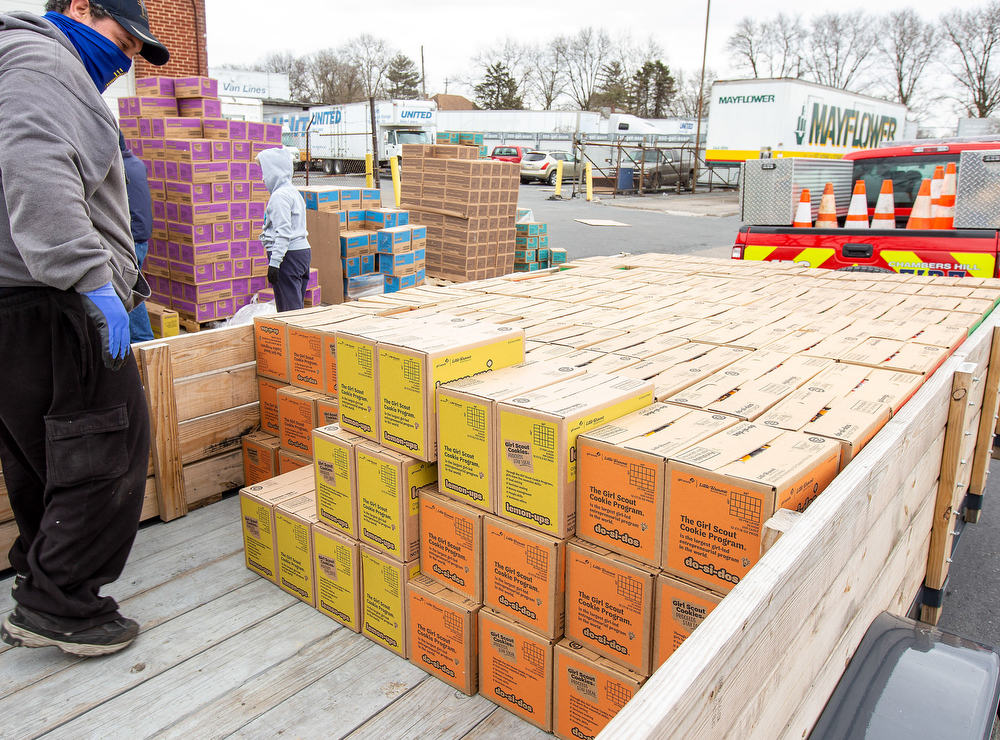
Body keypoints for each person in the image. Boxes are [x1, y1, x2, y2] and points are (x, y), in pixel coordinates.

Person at [0, 0, 169, 656]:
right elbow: (35, 168)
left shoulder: (27, 61)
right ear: (77, 7)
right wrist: (90, 280)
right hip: (51, 300)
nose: (125, 59)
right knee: (109, 449)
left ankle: (37, 578)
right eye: (122, 39)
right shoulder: (44, 62)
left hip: (21, 303)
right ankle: (61, 604)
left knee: (45, 456)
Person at [258, 148, 311, 312]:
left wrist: (274, 263)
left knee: (289, 313)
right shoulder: (293, 192)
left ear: (273, 171)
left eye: (264, 172)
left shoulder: (279, 196)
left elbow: (284, 233)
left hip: (288, 256)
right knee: (296, 307)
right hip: (301, 252)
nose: (263, 178)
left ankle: (295, 338)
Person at [121, 133, 155, 342]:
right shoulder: (136, 163)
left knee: (129, 290)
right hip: (140, 236)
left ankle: (143, 341)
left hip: (130, 238)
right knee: (132, 286)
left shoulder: (115, 167)